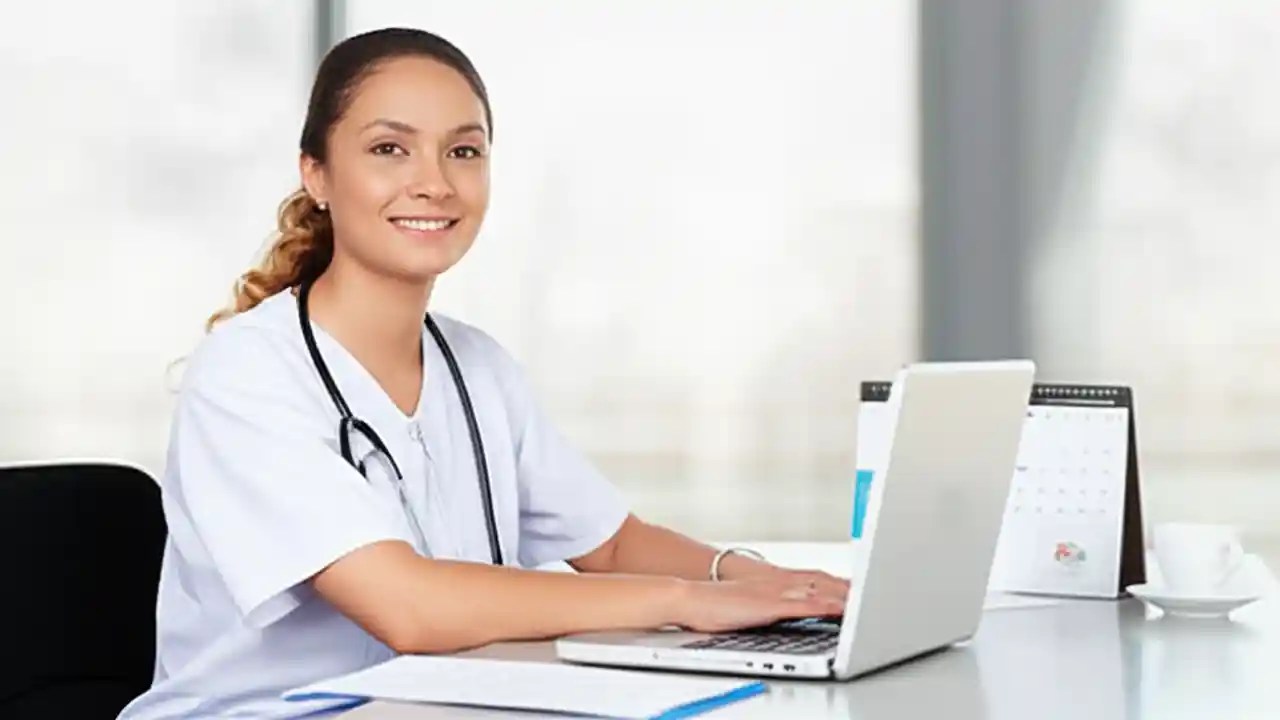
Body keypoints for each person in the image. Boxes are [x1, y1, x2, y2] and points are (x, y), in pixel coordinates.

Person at [119, 27, 848, 719]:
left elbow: (613, 543)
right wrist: (685, 602)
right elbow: (408, 607)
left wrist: (768, 584)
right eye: (389, 149)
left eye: (463, 152)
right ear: (317, 174)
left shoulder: (478, 368)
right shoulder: (247, 373)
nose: (433, 183)